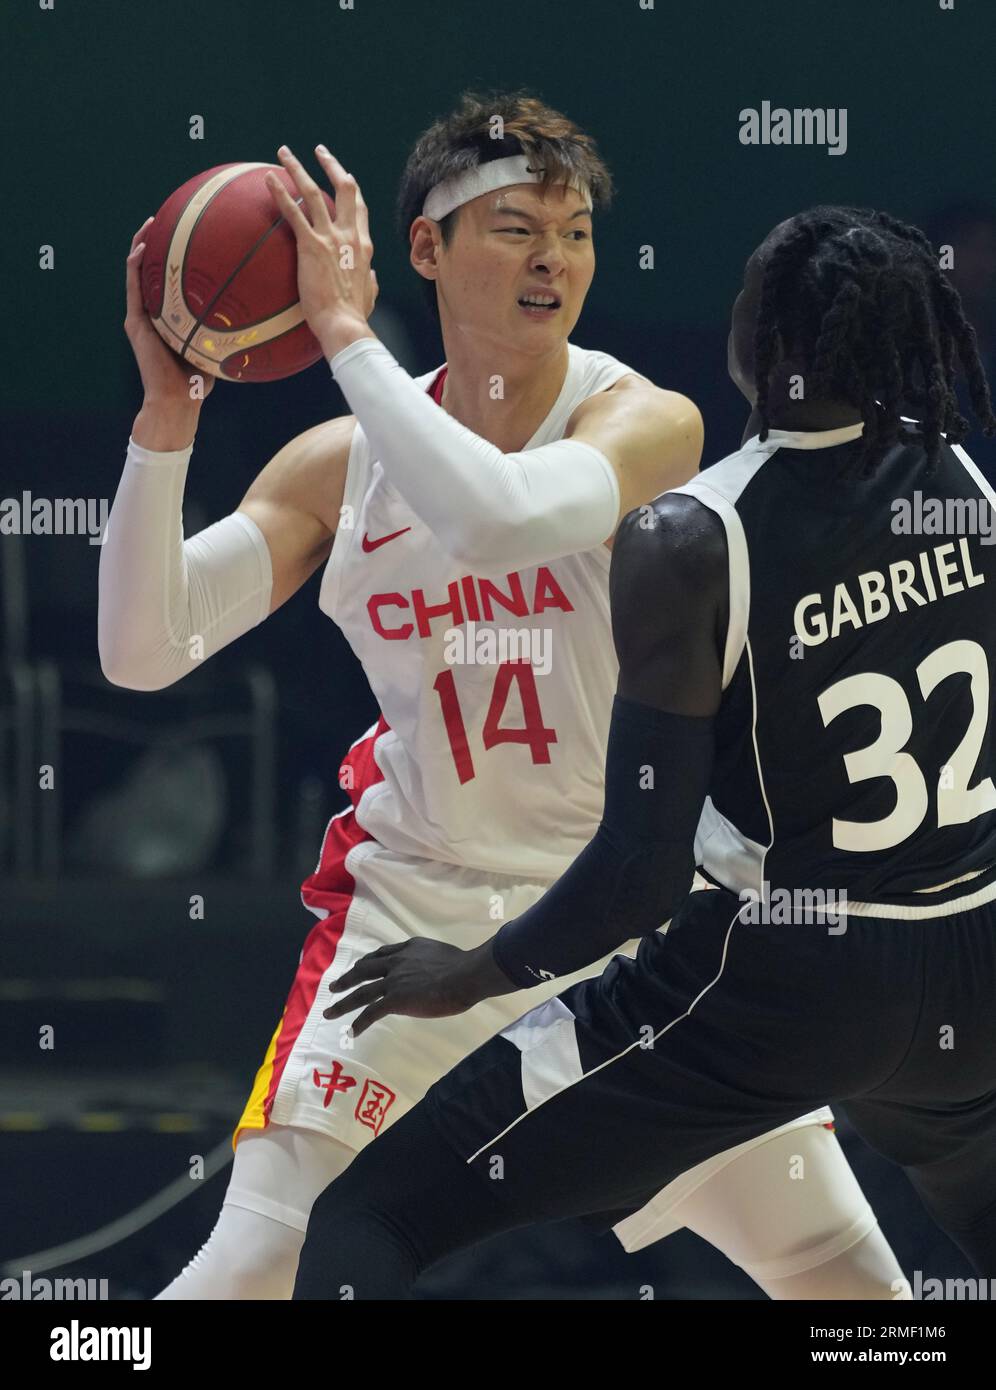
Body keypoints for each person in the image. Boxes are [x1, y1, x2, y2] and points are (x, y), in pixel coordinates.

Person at [100, 90, 899, 1300]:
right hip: (409, 933)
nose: (554, 258)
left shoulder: (646, 424)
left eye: (574, 232)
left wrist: (347, 338)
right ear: (426, 247)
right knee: (253, 1267)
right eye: (516, 225)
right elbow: (142, 651)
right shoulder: (338, 468)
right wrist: (167, 422)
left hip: (628, 925)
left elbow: (502, 520)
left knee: (847, 1283)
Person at [291, 205, 996, 1301]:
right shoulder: (962, 483)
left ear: (760, 340)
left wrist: (471, 973)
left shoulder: (693, 534)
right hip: (972, 966)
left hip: (785, 981)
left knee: (370, 1215)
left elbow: (640, 871)